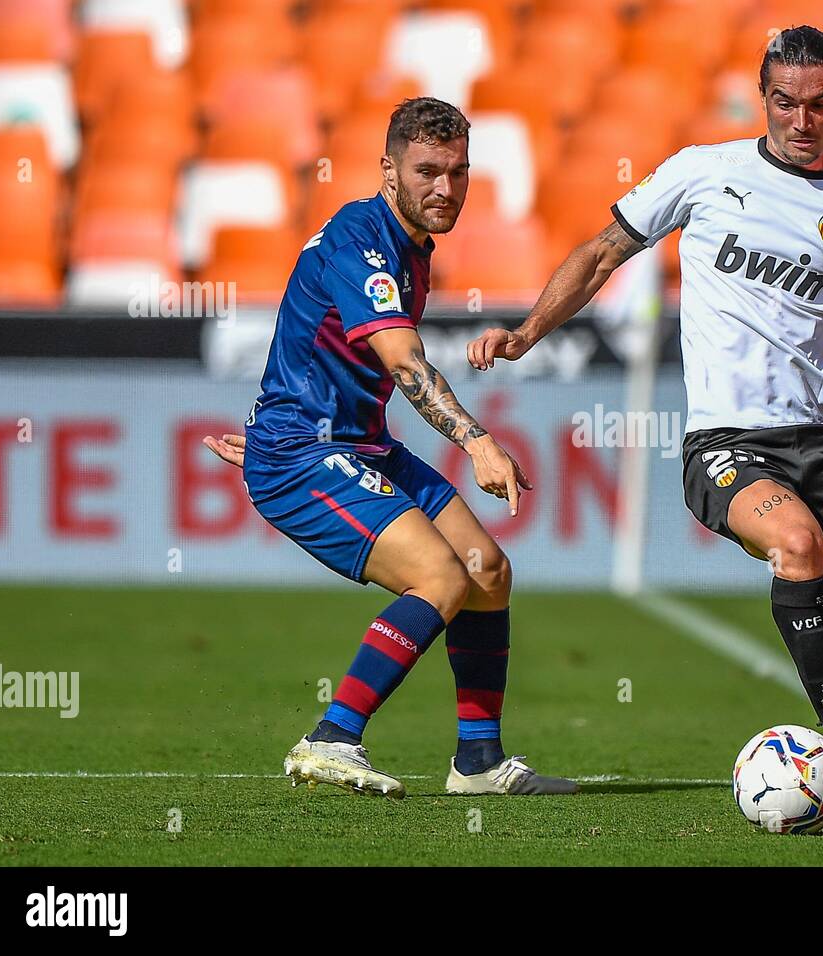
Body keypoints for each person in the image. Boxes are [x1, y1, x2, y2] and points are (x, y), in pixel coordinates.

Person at [467, 26, 823, 823]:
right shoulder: (703, 172)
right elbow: (600, 254)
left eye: (820, 105)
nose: (803, 121)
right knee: (795, 546)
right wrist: (525, 333)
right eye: (787, 103)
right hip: (726, 444)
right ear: (763, 98)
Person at [204, 97, 576, 797]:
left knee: (485, 568)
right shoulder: (363, 239)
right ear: (387, 171)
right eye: (428, 171)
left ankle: (478, 762)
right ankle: (331, 737)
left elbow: (309, 339)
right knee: (440, 578)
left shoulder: (409, 247)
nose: (445, 188)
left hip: (353, 443)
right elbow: (406, 365)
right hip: (303, 453)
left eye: (458, 172)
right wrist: (477, 440)